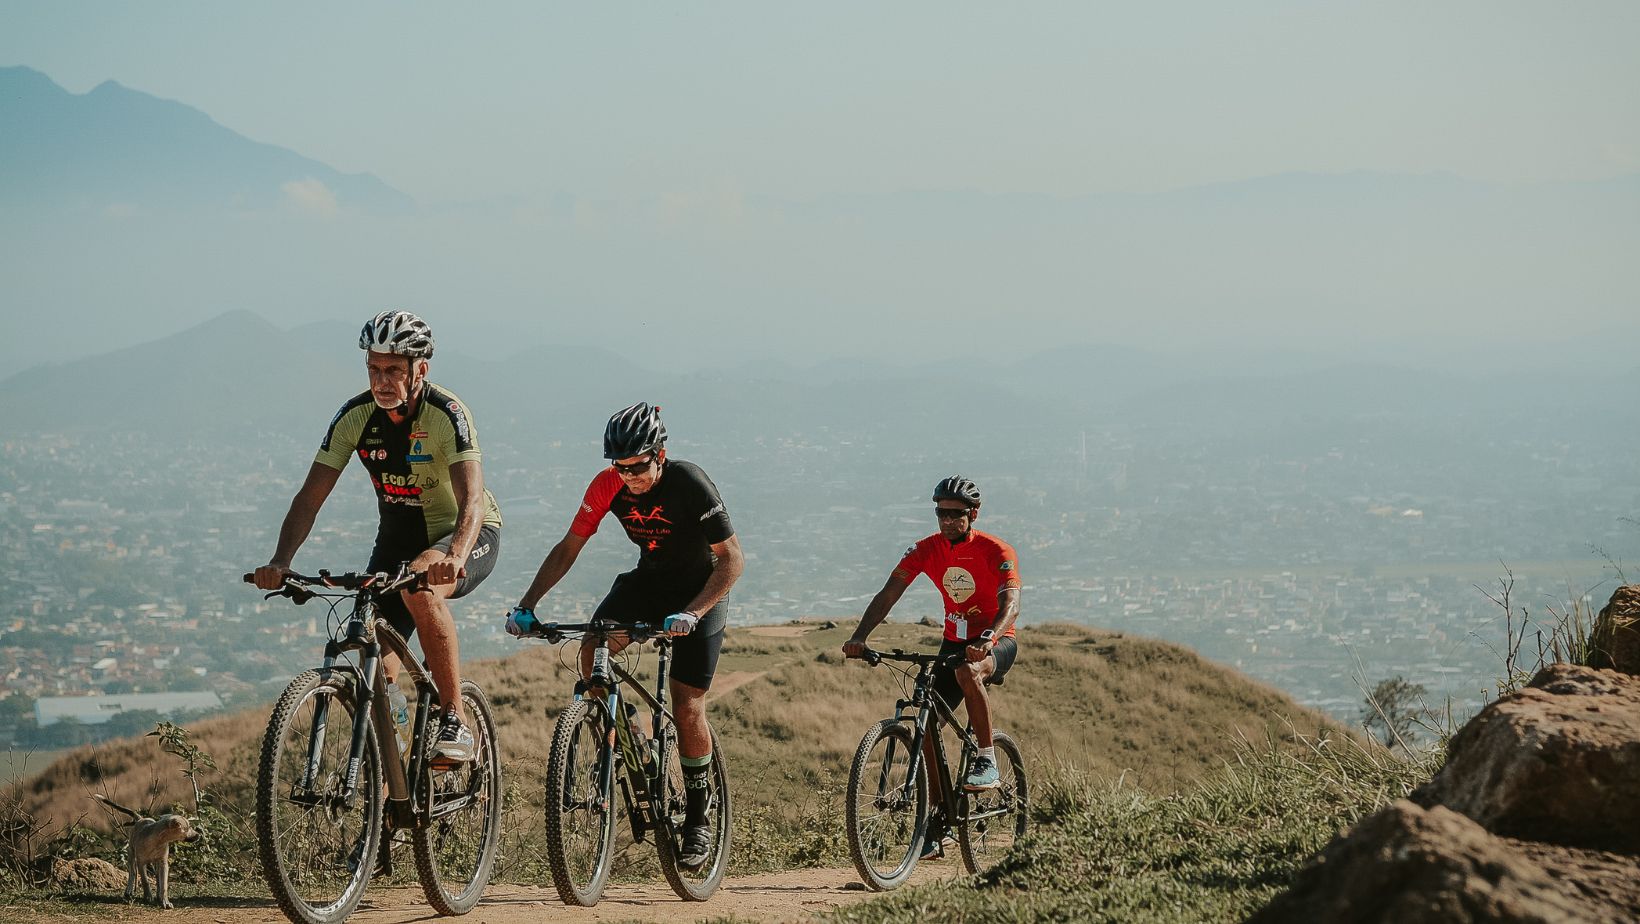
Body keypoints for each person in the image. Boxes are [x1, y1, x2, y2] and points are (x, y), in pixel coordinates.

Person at [253, 310, 503, 762]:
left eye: (393, 370)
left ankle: (455, 719)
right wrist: (281, 560)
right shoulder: (355, 416)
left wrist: (456, 555)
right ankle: (393, 771)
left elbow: (472, 499)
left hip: (465, 532)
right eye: (373, 368)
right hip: (397, 538)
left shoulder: (447, 413)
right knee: (375, 656)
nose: (381, 380)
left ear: (420, 369)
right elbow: (309, 498)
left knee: (421, 589)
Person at [508, 402, 743, 870]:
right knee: (592, 649)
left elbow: (732, 559)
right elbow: (569, 547)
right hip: (649, 584)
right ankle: (631, 734)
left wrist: (693, 612)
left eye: (638, 465)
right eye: (621, 466)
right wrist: (527, 605)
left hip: (701, 592)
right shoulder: (607, 485)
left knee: (686, 704)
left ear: (661, 454)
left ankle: (698, 819)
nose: (629, 476)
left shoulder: (690, 483)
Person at [842, 475, 1020, 857]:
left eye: (955, 514)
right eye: (941, 513)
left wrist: (989, 638)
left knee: (968, 672)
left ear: (973, 514)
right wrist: (860, 636)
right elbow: (889, 593)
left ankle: (987, 758)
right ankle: (939, 819)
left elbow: (1011, 604)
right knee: (925, 724)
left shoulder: (996, 550)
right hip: (954, 641)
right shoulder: (926, 549)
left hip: (996, 640)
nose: (947, 520)